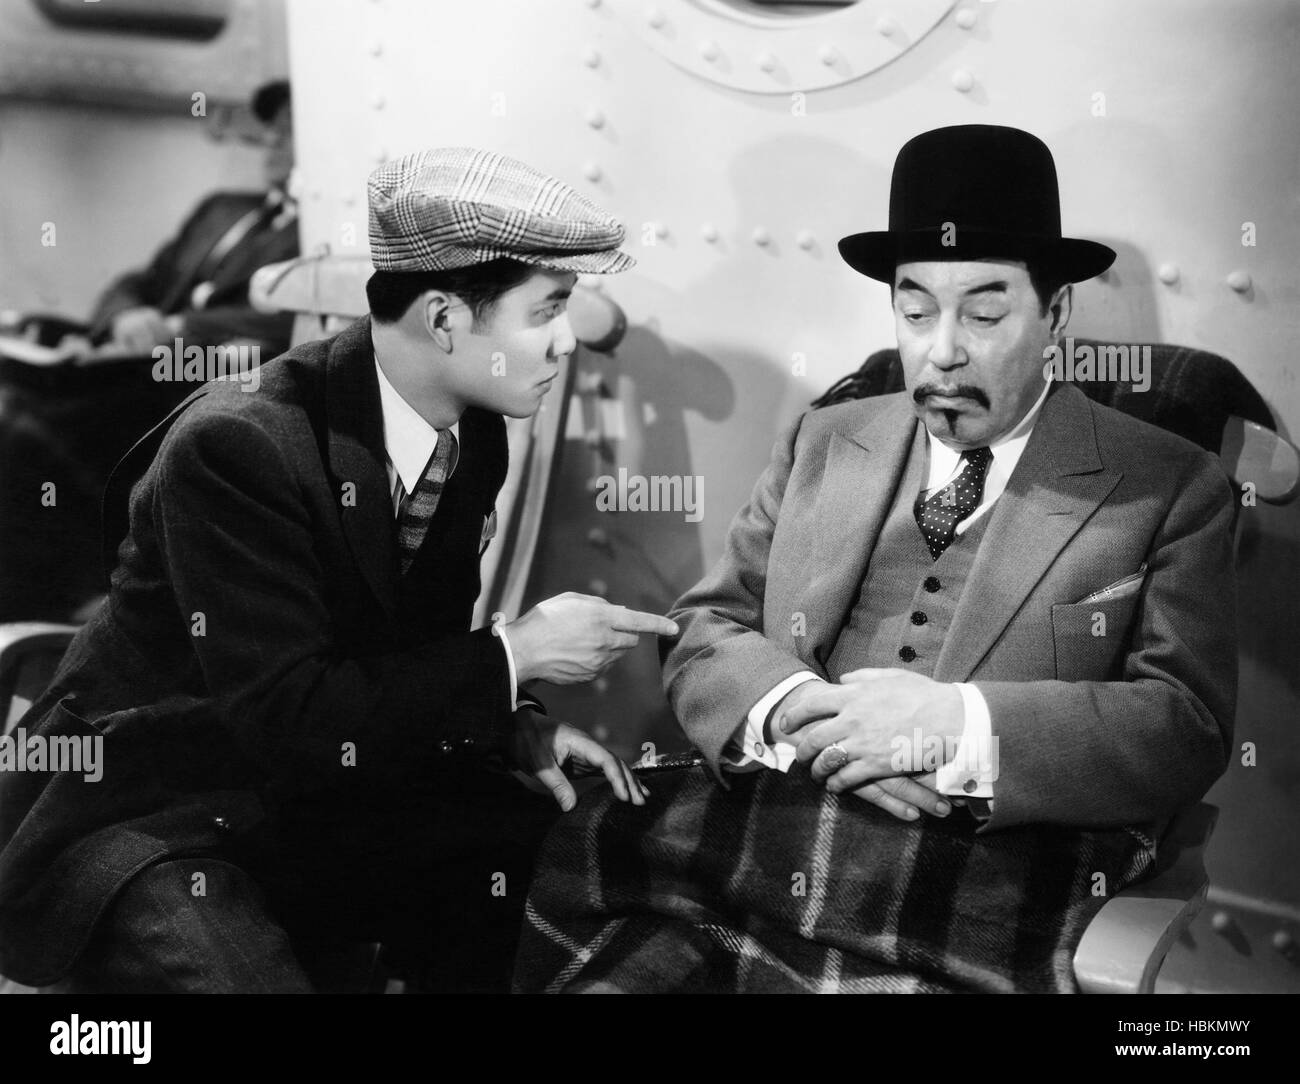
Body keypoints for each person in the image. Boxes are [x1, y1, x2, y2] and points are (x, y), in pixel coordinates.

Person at [513, 125, 1237, 994]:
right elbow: (703, 628)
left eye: (986, 313)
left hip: (975, 884)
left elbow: (1185, 726)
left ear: (1057, 314)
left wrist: (951, 726)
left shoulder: (1170, 484)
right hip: (749, 843)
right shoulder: (823, 438)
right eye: (915, 310)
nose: (942, 350)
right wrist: (803, 714)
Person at [0, 147, 676, 993]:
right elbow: (288, 713)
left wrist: (509, 721)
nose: (565, 340)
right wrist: (517, 653)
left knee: (567, 854)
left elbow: (405, 650)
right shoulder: (239, 443)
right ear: (443, 320)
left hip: (318, 795)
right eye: (547, 310)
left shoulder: (471, 430)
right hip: (159, 810)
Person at [0, 79, 300, 621]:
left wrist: (176, 326)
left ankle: (45, 602)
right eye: (272, 129)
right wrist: (124, 318)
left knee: (23, 426)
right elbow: (137, 281)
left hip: (192, 378)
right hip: (127, 363)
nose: (273, 141)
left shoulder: (318, 232)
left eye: (290, 130)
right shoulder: (222, 209)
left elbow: (284, 316)